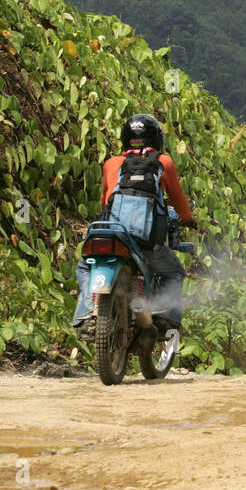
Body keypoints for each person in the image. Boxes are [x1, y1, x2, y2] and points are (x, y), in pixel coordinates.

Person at [73, 113, 196, 331]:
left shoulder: (111, 164)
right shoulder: (164, 163)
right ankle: (165, 316)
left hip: (113, 235)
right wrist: (187, 220)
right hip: (146, 242)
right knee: (175, 272)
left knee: (85, 266)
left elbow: (104, 203)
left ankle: (89, 311)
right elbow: (181, 206)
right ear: (156, 139)